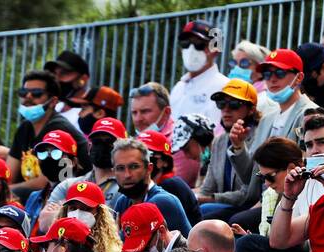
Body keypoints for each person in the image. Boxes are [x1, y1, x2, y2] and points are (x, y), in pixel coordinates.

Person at [7, 70, 91, 196]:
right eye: (24, 93)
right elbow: (9, 175)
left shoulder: (58, 130)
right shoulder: (24, 128)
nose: (28, 97)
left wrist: (7, 191)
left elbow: (43, 182)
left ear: (52, 102)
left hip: (72, 196)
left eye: (36, 93)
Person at [195, 78, 263, 219]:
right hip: (221, 205)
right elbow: (208, 187)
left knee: (205, 210)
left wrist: (212, 199)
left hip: (247, 206)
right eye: (221, 104)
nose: (226, 110)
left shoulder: (260, 137)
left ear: (251, 109)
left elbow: (249, 191)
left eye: (234, 104)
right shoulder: (219, 141)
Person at [110, 138, 192, 235]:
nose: (127, 175)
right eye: (120, 168)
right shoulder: (123, 201)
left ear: (149, 168)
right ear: (113, 172)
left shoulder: (162, 201)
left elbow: (120, 246)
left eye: (134, 167)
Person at [171, 20, 229, 126]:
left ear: (215, 49)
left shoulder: (224, 87)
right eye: (185, 44)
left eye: (199, 44)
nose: (191, 49)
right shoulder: (178, 88)